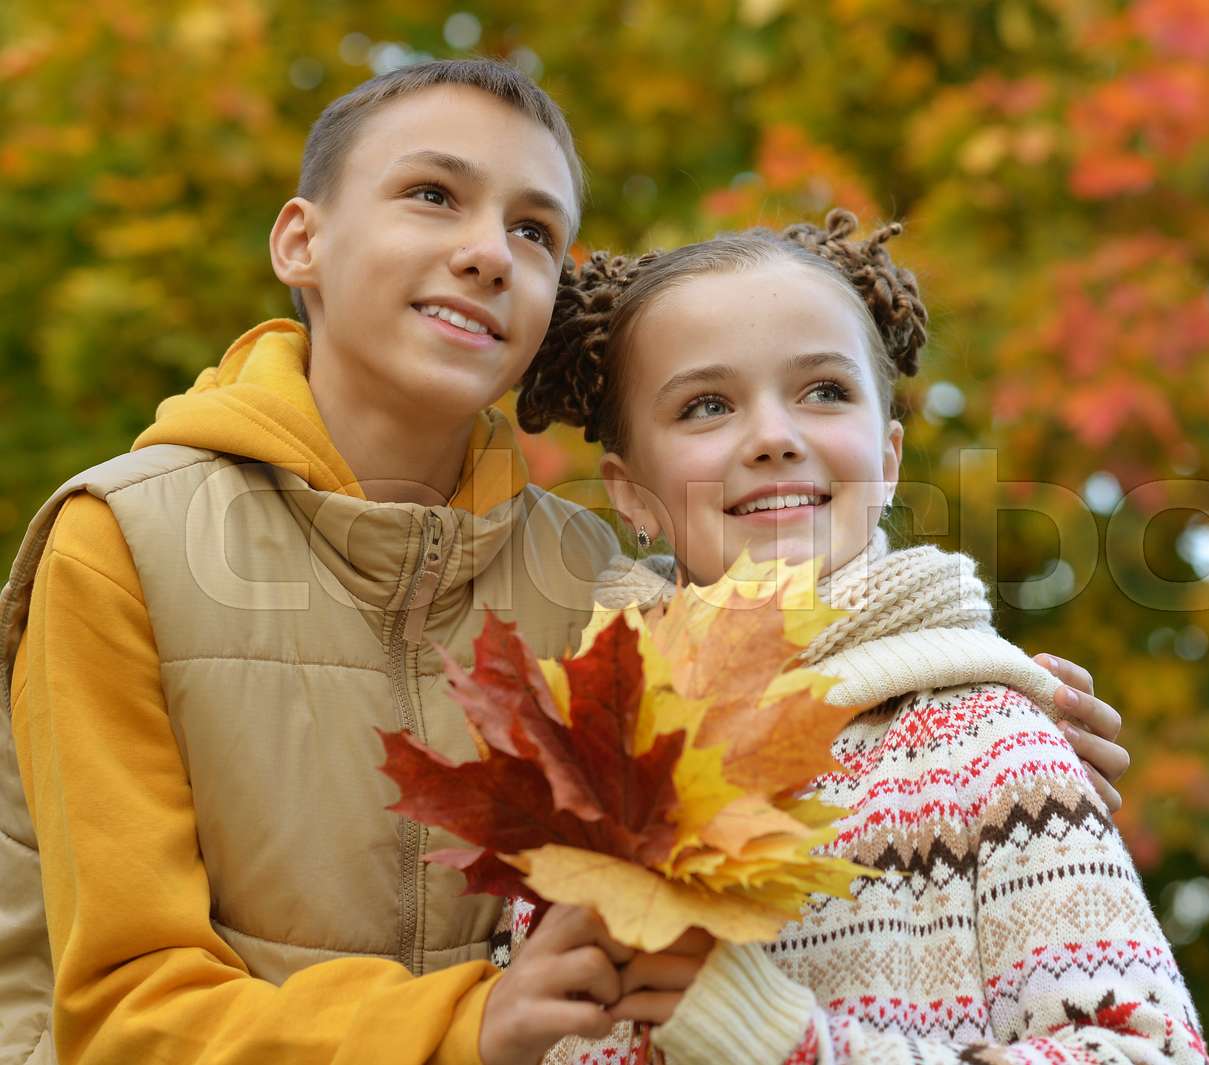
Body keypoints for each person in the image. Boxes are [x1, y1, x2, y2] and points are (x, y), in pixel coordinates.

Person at [0, 60, 1125, 1065]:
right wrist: (464, 1028)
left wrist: (982, 700)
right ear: (301, 240)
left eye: (536, 230)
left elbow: (809, 637)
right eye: (432, 194)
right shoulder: (124, 542)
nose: (489, 250)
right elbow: (115, 1009)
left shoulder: (600, 591)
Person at [501, 211, 1209, 1064]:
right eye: (707, 405)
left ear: (892, 454)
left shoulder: (984, 740)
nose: (773, 437)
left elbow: (1151, 1052)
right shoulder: (577, 767)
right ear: (631, 493)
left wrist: (796, 1046)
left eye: (825, 391)